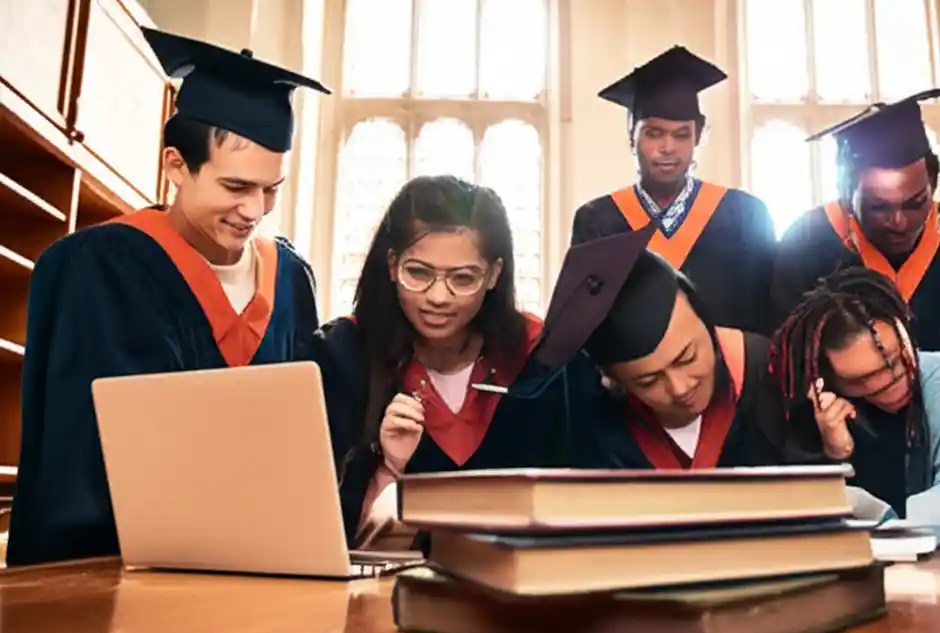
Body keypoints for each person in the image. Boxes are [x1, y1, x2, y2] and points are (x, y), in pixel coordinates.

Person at [7, 30, 327, 566]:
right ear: (176, 164)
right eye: (236, 187)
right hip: (122, 573)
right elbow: (76, 463)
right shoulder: (100, 267)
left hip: (267, 568)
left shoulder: (291, 279)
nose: (255, 210)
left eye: (271, 189)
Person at [312, 176, 591, 547]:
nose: (438, 297)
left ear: (494, 274)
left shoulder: (541, 361)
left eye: (463, 278)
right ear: (392, 265)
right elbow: (319, 531)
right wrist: (390, 467)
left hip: (522, 578)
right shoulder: (344, 356)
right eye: (418, 273)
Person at [770, 266, 940, 546]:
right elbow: (792, 514)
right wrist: (835, 455)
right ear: (829, 379)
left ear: (904, 329)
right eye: (861, 379)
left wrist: (876, 519)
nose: (887, 383)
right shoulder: (817, 409)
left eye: (894, 362)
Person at [532, 227, 785, 469]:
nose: (680, 388)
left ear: (706, 323)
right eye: (648, 382)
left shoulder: (770, 373)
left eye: (687, 358)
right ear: (614, 381)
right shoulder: (598, 426)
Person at [570, 46, 776, 335]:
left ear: (698, 135)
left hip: (725, 365)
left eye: (681, 135)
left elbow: (768, 326)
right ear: (632, 135)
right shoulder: (597, 221)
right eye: (653, 133)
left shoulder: (745, 216)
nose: (668, 148)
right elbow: (580, 329)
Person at [769, 88, 940, 351]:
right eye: (878, 207)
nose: (899, 222)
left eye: (915, 203)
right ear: (846, 194)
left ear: (933, 182)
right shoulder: (806, 243)